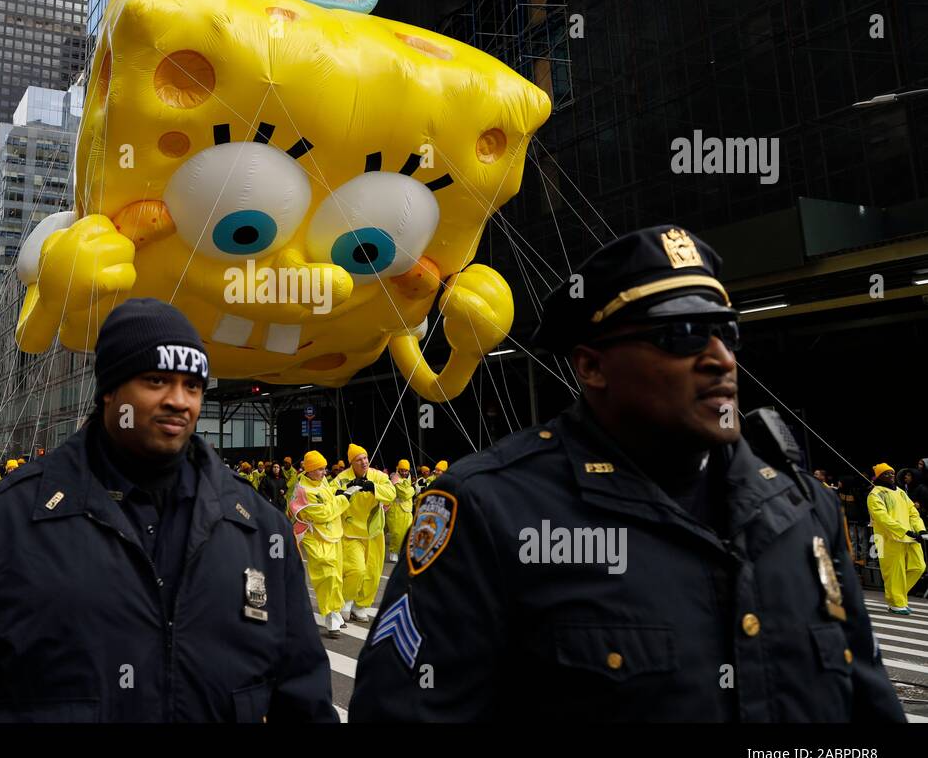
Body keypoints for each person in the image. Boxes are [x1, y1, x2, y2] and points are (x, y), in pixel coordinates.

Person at [350, 224, 903, 721]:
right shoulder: (490, 513)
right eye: (682, 332)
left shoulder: (804, 510)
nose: (720, 358)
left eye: (726, 332)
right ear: (591, 365)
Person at [0, 298, 335, 721]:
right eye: (157, 380)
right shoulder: (1, 526)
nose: (179, 400)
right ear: (110, 391)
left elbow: (304, 698)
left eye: (193, 385)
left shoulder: (258, 528)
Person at [289, 450, 350, 636]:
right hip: (315, 537)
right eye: (320, 469)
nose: (325, 473)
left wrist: (339, 491)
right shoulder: (303, 491)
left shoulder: (320, 481)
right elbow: (323, 513)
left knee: (337, 576)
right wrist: (344, 498)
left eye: (325, 468)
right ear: (309, 470)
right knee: (327, 575)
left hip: (333, 534)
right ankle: (330, 616)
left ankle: (336, 611)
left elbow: (327, 495)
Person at [333, 443, 395, 622]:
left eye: (365, 458)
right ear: (351, 462)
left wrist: (371, 487)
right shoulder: (342, 478)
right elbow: (331, 494)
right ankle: (346, 600)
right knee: (356, 570)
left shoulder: (378, 476)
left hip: (374, 532)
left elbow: (391, 493)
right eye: (359, 459)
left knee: (373, 573)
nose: (363, 462)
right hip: (351, 533)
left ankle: (361, 606)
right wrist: (342, 492)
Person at [868, 463, 926, 614]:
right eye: (886, 474)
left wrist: (920, 529)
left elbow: (913, 512)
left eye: (892, 473)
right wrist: (905, 531)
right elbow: (883, 518)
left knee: (919, 566)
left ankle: (897, 596)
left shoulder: (900, 492)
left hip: (909, 536)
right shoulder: (875, 494)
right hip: (885, 538)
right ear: (879, 477)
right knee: (894, 572)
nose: (891, 476)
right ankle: (896, 603)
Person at [386, 459, 415, 562]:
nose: (403, 472)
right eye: (401, 470)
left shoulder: (409, 477)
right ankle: (393, 552)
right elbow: (405, 494)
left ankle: (403, 552)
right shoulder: (395, 479)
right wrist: (413, 489)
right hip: (396, 510)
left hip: (407, 510)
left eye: (405, 470)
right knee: (396, 533)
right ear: (398, 469)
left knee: (408, 533)